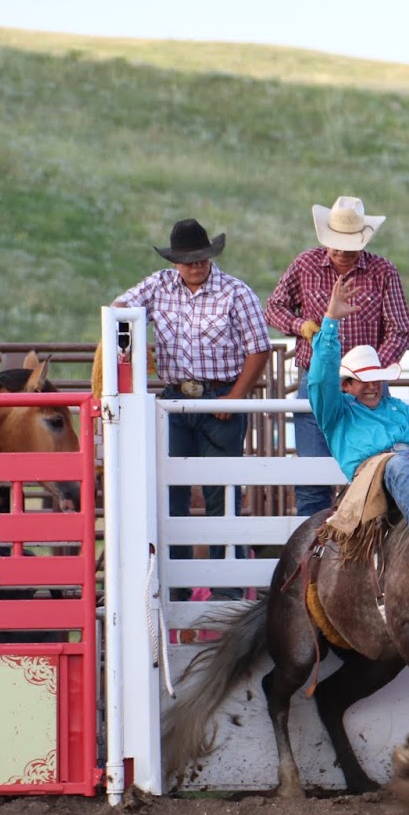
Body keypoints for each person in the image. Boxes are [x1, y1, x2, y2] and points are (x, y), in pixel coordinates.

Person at [113, 218, 271, 599]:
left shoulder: (236, 292)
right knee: (173, 495)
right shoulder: (158, 285)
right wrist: (129, 339)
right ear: (176, 262)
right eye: (188, 260)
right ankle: (178, 587)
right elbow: (119, 308)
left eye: (201, 258)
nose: (196, 265)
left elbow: (259, 348)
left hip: (220, 397)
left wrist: (234, 397)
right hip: (176, 400)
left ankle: (226, 588)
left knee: (222, 494)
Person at [308, 275, 409, 571]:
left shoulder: (398, 407)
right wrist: (330, 321)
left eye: (376, 379)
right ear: (345, 385)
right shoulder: (337, 412)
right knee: (396, 464)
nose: (372, 386)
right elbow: (320, 378)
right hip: (373, 472)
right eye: (363, 381)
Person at [265, 196, 409, 517]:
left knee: (375, 470)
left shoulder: (383, 271)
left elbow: (400, 329)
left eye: (349, 244)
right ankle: (313, 553)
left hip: (366, 387)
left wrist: (368, 372)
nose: (342, 250)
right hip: (319, 381)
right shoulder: (305, 264)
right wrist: (299, 325)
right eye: (337, 244)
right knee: (313, 474)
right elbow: (274, 307)